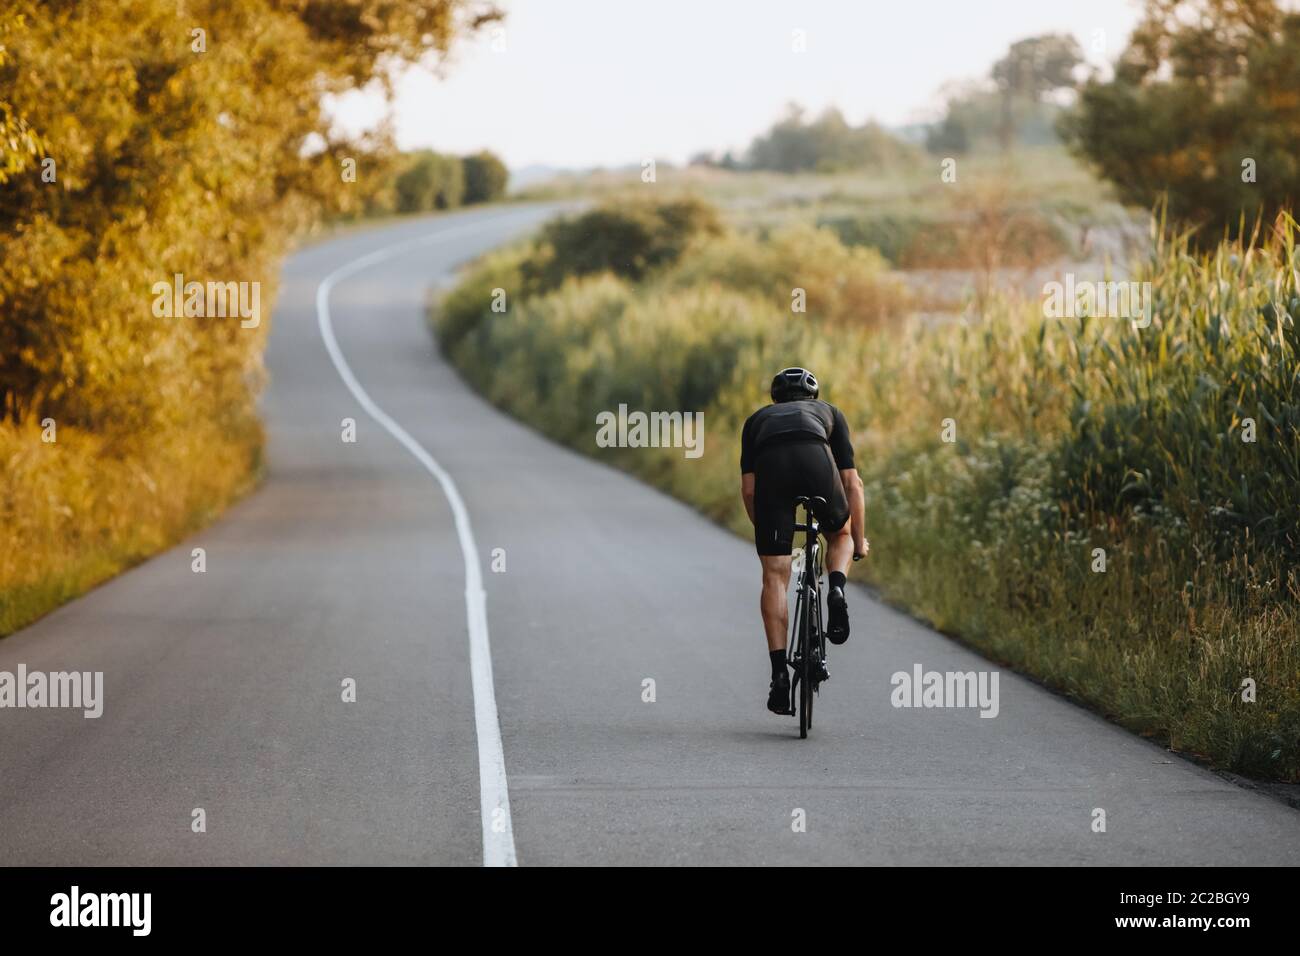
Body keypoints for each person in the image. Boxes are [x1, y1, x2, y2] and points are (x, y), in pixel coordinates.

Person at [739, 367, 867, 714]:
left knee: (775, 577)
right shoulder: (830, 413)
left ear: (774, 398)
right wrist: (858, 539)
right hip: (816, 463)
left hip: (773, 473)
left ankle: (779, 674)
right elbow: (853, 483)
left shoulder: (756, 421)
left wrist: (765, 528)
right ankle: (836, 589)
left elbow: (749, 489)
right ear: (814, 396)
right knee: (838, 533)